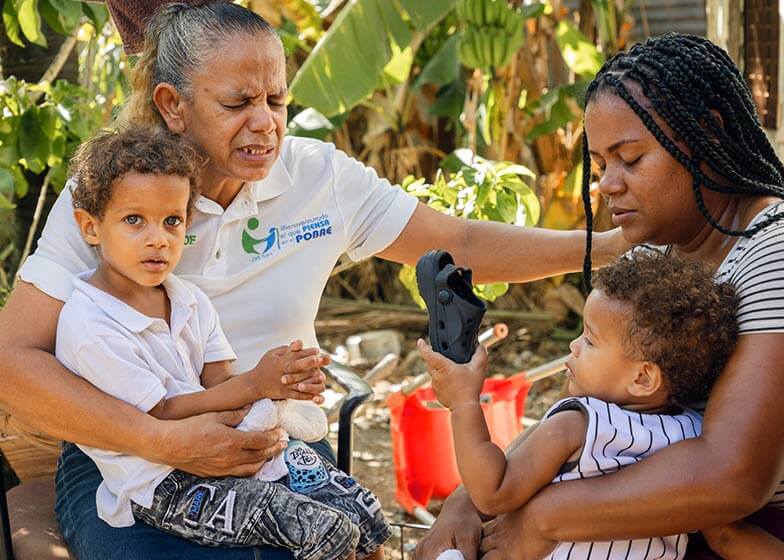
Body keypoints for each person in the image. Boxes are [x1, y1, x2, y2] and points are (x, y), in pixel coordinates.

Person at [0, 3, 628, 559]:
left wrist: (612, 245)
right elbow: (12, 359)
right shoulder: (117, 201)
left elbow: (459, 243)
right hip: (126, 464)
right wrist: (164, 440)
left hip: (275, 445)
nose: (266, 123)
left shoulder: (316, 177)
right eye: (237, 103)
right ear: (173, 106)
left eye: (275, 100)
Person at [415, 33, 784, 560]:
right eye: (600, 166)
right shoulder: (652, 257)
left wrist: (545, 519)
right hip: (673, 527)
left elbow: (734, 476)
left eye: (631, 159)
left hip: (776, 535)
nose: (607, 185)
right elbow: (582, 412)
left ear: (706, 135)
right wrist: (466, 505)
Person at [57, 124, 389, 559]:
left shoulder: (187, 300)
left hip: (219, 450)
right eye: (134, 220)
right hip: (160, 480)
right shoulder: (90, 324)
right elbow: (163, 413)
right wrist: (256, 385)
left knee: (360, 512)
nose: (158, 238)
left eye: (171, 221)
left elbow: (219, 384)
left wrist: (282, 383)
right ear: (91, 227)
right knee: (314, 529)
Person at [420, 251, 784, 560]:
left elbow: (494, 492)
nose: (574, 346)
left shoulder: (578, 425)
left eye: (590, 340)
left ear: (643, 378)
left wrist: (464, 403)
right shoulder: (694, 436)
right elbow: (726, 536)